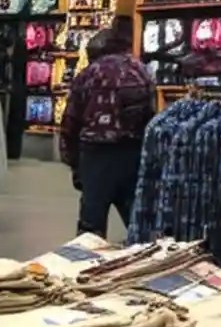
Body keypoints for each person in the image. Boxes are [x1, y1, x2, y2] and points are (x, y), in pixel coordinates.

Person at [59, 16, 155, 238]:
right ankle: (145, 261)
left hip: (96, 154)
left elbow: (71, 121)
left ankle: (87, 266)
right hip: (132, 151)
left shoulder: (89, 74)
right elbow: (150, 116)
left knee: (91, 225)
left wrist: (73, 163)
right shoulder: (141, 70)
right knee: (136, 218)